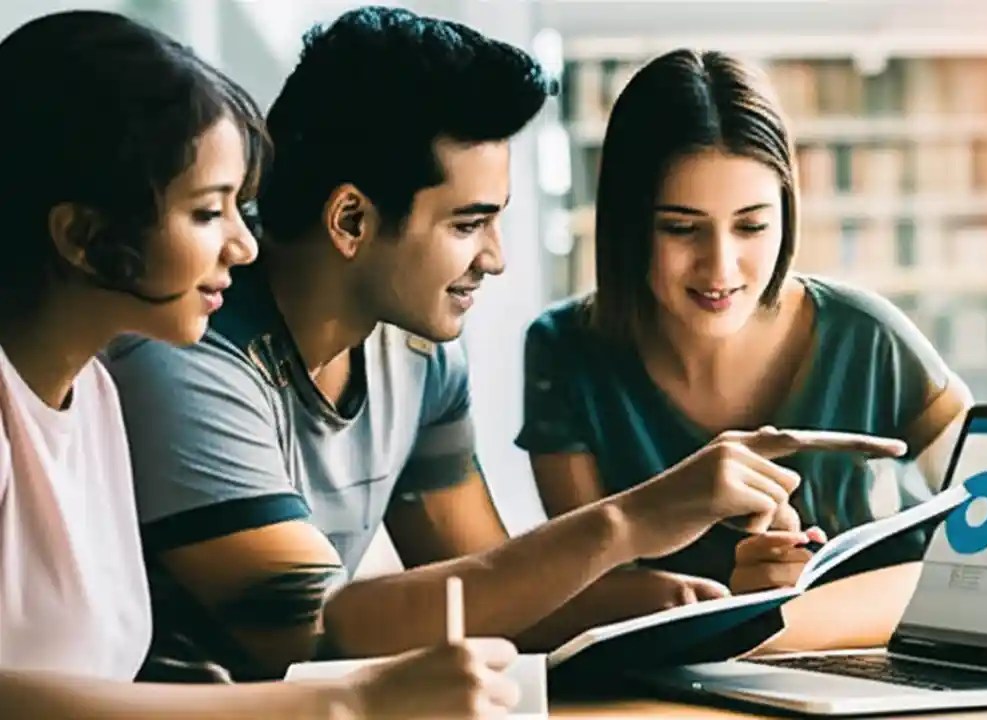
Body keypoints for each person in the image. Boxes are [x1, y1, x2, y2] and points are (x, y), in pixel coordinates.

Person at [102, 5, 905, 685]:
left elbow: (491, 590)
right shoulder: (187, 358)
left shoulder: (417, 354)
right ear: (350, 221)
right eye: (468, 222)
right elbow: (311, 635)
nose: (495, 257)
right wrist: (634, 519)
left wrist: (684, 600)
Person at [0, 9, 525, 719]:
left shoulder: (91, 394)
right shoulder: (149, 376)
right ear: (83, 236)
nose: (245, 246)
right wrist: (349, 701)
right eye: (208, 212)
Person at [516, 49, 973, 641]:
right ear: (629, 224)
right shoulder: (566, 352)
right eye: (680, 228)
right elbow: (581, 592)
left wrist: (787, 605)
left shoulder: (867, 336)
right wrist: (741, 595)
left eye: (752, 225)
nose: (720, 267)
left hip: (877, 662)